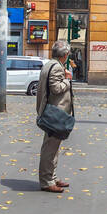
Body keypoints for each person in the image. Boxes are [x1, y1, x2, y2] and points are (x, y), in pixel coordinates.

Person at [37, 41, 74, 192]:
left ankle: (52, 176)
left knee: (53, 147)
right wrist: (68, 80)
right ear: (65, 54)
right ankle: (47, 181)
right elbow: (56, 88)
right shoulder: (57, 67)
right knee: (50, 148)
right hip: (54, 114)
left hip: (51, 112)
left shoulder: (49, 64)